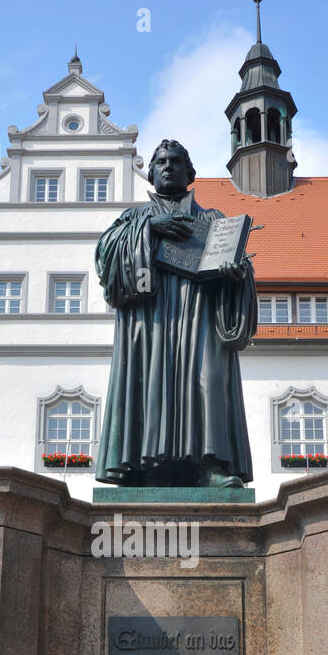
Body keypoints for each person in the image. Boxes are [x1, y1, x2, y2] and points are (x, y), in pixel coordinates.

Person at [94, 139, 256, 488]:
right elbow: (105, 259)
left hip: (199, 317)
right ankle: (144, 468)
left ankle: (209, 466)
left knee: (208, 381)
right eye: (161, 162)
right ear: (151, 173)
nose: (168, 166)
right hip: (148, 321)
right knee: (148, 383)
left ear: (189, 172)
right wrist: (150, 229)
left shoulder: (213, 222)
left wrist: (236, 276)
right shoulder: (134, 218)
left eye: (176, 162)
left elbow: (238, 267)